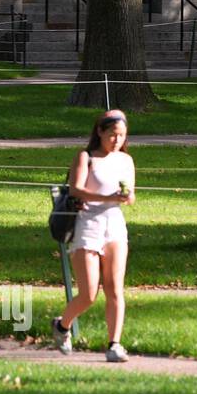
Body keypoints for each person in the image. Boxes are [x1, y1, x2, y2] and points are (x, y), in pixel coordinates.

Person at [52, 110, 135, 362]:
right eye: (112, 135)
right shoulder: (86, 158)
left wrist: (125, 196)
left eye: (121, 136)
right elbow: (77, 189)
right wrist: (107, 197)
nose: (116, 140)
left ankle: (114, 344)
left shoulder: (126, 160)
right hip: (88, 224)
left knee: (114, 289)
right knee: (89, 293)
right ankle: (62, 326)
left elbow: (131, 195)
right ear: (100, 132)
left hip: (115, 225)